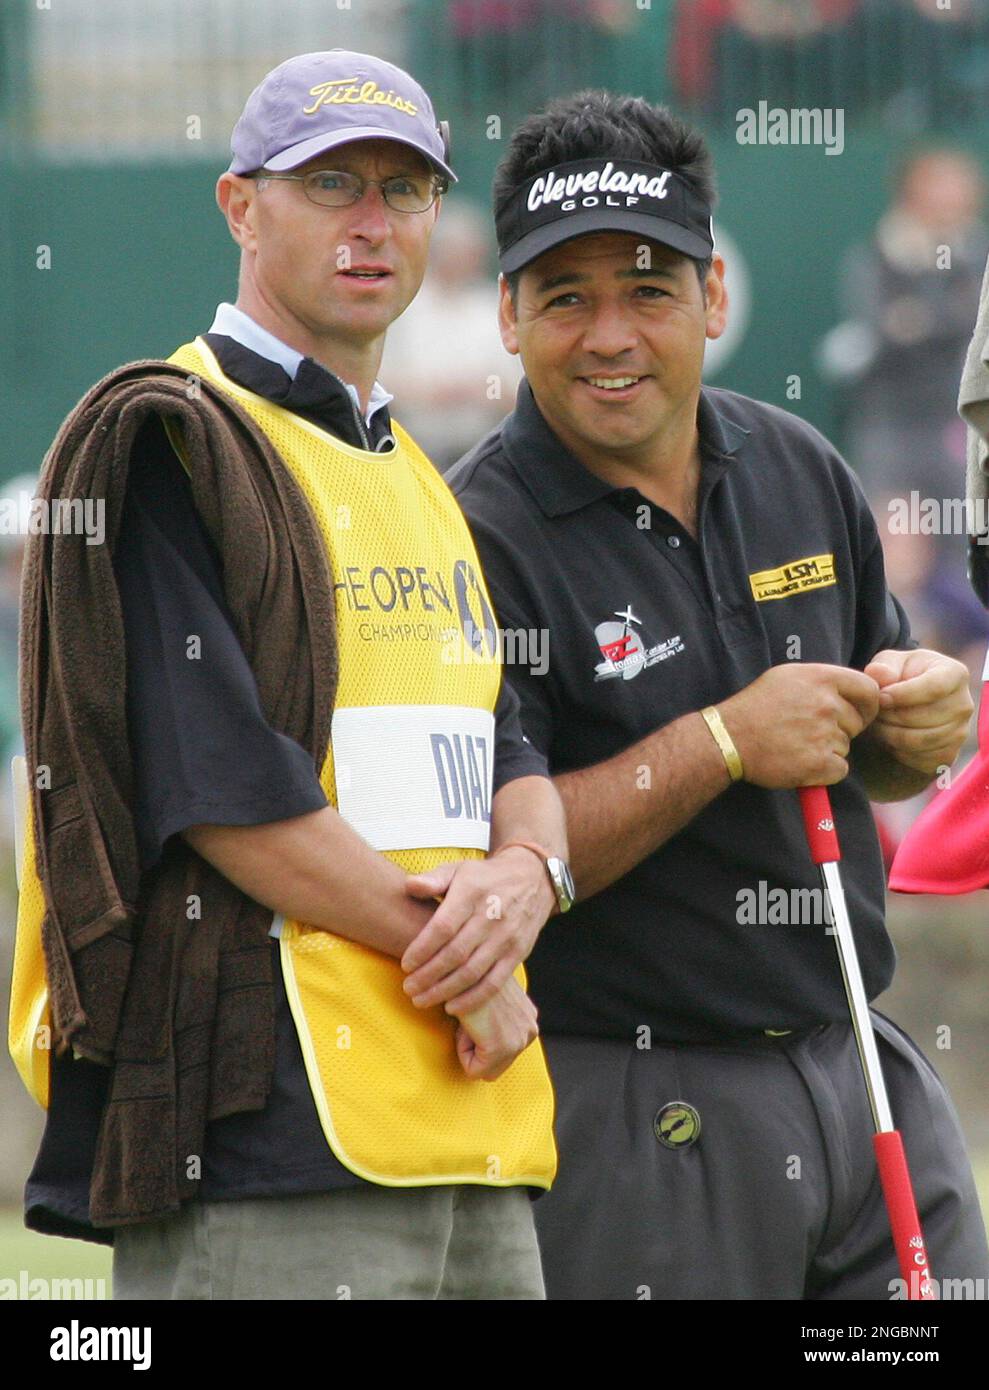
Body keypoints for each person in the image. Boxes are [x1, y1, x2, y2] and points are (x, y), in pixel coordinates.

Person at [15, 49, 572, 1301]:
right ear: (239, 206)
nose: (373, 223)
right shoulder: (168, 436)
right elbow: (221, 792)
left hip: (473, 1122)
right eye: (330, 185)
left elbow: (511, 752)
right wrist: (471, 969)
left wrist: (530, 883)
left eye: (406, 190)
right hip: (266, 1138)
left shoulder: (423, 475)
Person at [446, 89, 989, 1299]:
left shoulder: (797, 464)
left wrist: (915, 728)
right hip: (636, 1100)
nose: (608, 335)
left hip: (854, 1054)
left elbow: (866, 759)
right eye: (564, 297)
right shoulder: (466, 537)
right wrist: (721, 741)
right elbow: (501, 864)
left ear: (714, 297)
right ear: (506, 315)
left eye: (646, 289)